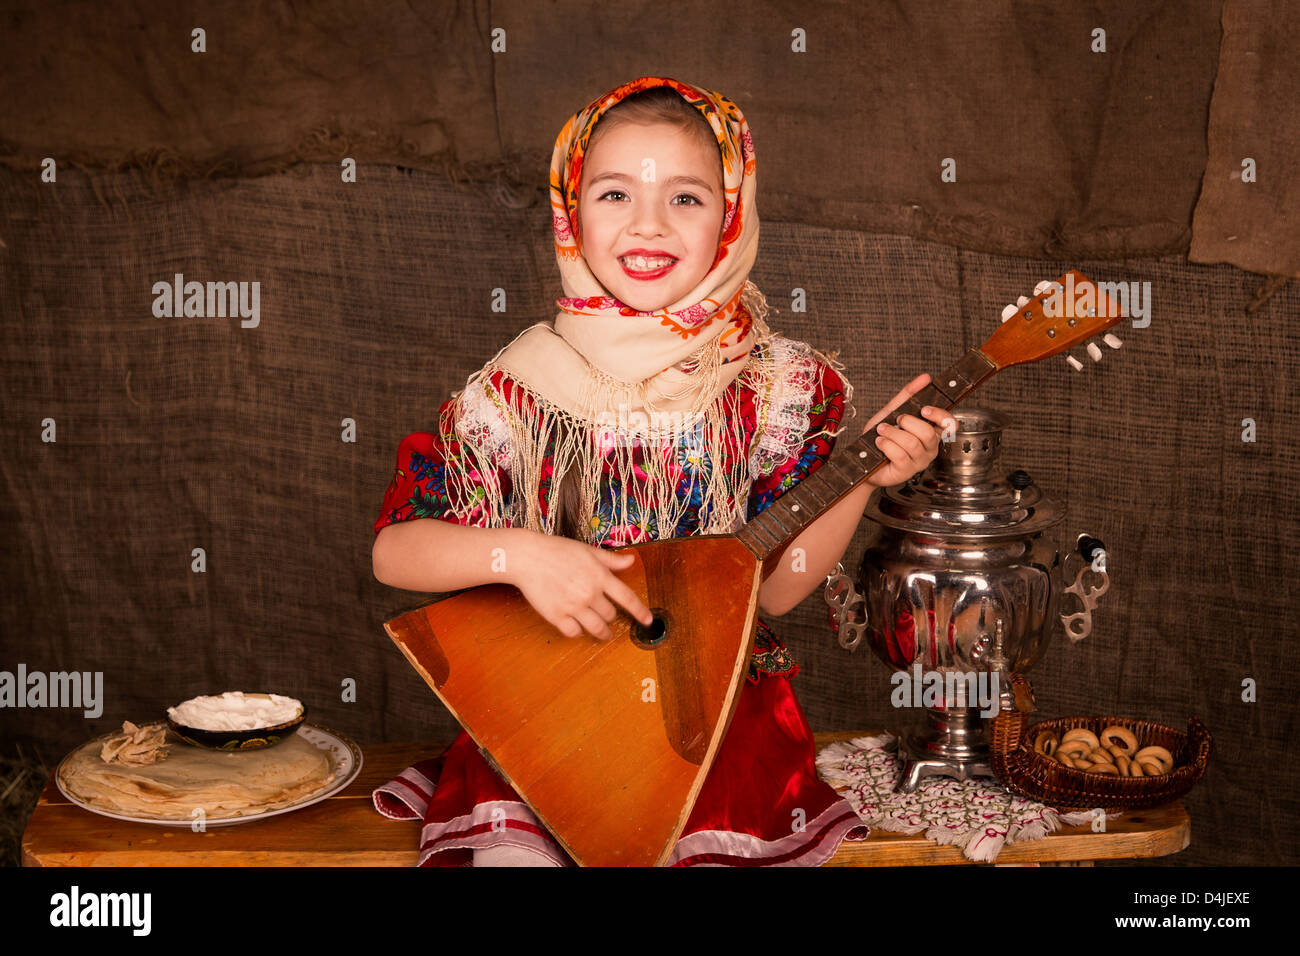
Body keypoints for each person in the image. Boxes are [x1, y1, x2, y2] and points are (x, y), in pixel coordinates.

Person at [370, 76, 950, 866]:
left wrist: (863, 481)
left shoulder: (780, 389)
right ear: (572, 212)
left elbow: (775, 589)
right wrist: (523, 554)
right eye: (614, 194)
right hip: (547, 716)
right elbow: (395, 552)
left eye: (685, 198)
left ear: (732, 213)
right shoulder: (512, 392)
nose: (648, 224)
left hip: (705, 727)